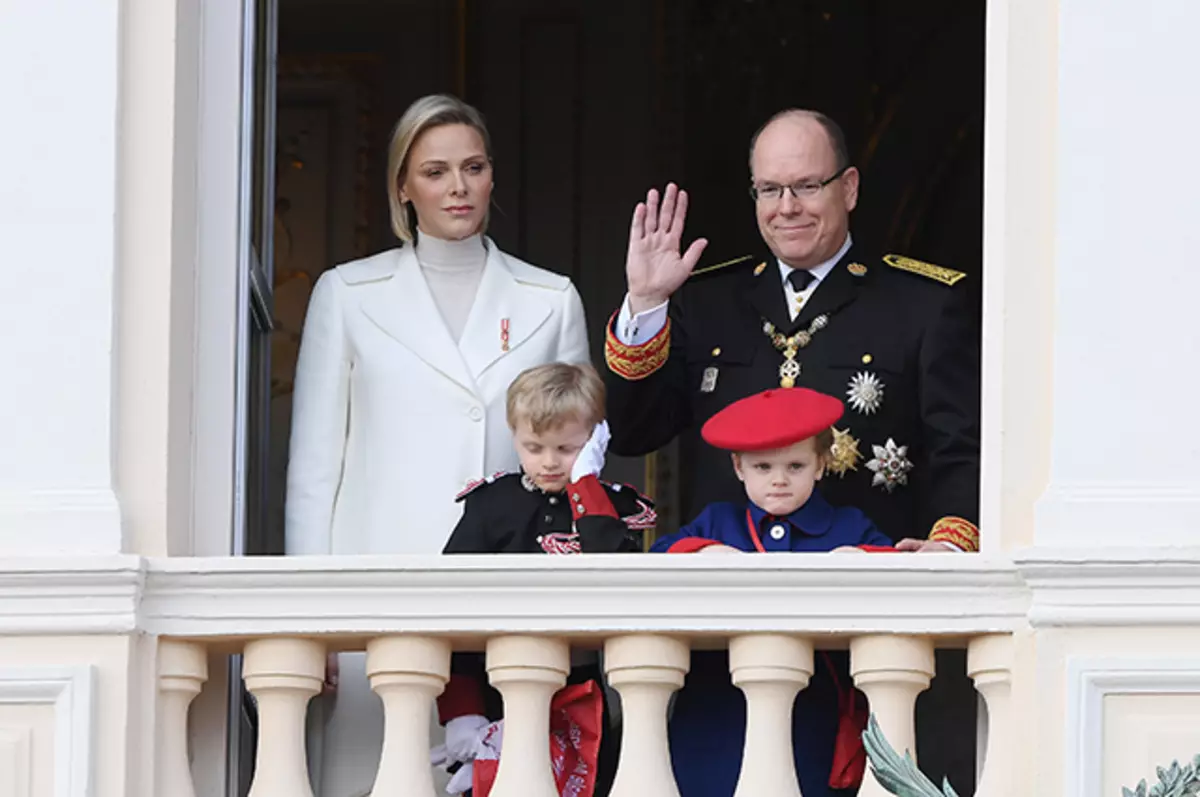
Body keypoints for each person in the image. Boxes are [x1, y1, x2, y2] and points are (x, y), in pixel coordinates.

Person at [284, 94, 590, 797]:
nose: (457, 186)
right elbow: (313, 470)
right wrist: (312, 618)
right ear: (403, 185)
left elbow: (581, 464)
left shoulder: (551, 298)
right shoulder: (347, 294)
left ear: (491, 177)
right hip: (377, 594)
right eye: (436, 170)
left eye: (473, 167)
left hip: (511, 603)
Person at [603, 108, 980, 554]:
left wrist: (950, 548)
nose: (787, 207)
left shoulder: (923, 304)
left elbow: (961, 449)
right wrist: (646, 303)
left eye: (807, 186)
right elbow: (633, 434)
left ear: (849, 188)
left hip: (870, 589)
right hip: (728, 592)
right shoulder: (707, 301)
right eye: (769, 189)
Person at [652, 387, 891, 797]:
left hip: (813, 711)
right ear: (738, 467)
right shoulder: (717, 521)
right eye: (763, 466)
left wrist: (860, 557)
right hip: (717, 711)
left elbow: (893, 569)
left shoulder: (849, 525)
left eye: (795, 465)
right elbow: (658, 555)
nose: (779, 479)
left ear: (821, 464)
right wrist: (703, 551)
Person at [437, 363, 655, 796]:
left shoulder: (607, 504)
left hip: (582, 691)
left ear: (595, 439)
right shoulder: (491, 505)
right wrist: (461, 709)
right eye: (533, 447)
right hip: (495, 687)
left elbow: (617, 577)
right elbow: (452, 606)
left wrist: (585, 485)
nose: (550, 461)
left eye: (568, 448)